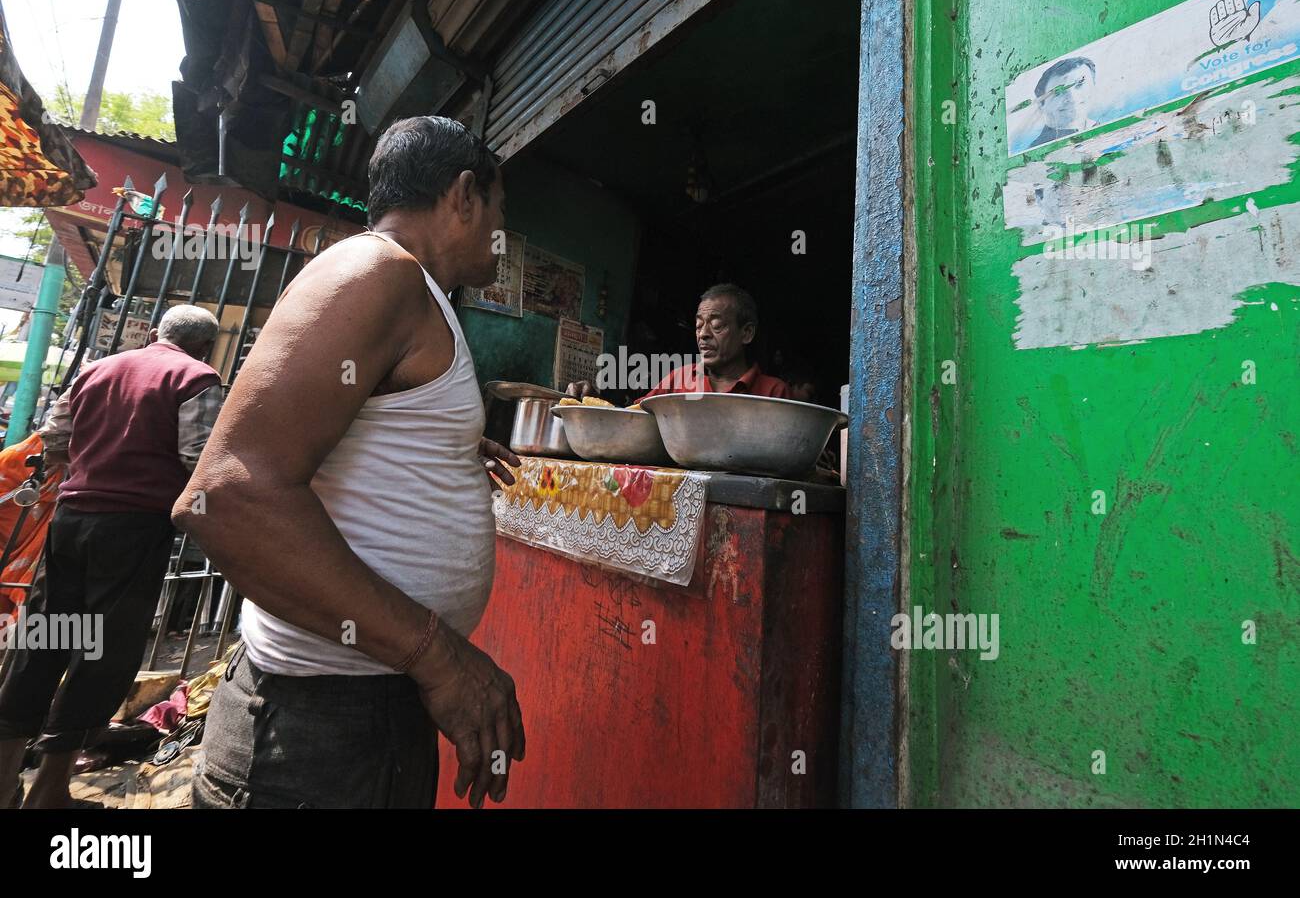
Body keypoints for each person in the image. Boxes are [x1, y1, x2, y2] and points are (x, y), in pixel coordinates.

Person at [176, 115, 525, 810]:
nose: (501, 235)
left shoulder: (412, 289)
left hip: (356, 720)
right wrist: (442, 657)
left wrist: (445, 454)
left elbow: (348, 431)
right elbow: (227, 497)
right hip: (315, 736)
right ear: (463, 194)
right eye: (500, 211)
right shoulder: (379, 272)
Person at [0, 304, 223, 809]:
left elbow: (54, 439)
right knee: (104, 653)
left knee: (45, 640)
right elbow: (199, 457)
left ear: (154, 334)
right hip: (134, 530)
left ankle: (4, 778)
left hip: (71, 523)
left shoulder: (95, 369)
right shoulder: (197, 377)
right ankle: (51, 790)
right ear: (206, 346)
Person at [569, 283, 790, 401]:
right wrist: (593, 400)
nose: (703, 334)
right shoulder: (679, 379)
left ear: (747, 333)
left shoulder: (774, 392)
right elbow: (633, 419)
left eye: (716, 325)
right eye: (698, 325)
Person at [1030, 56, 1098, 148]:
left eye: (1080, 83)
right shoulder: (1037, 151)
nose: (1073, 99)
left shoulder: (1097, 127)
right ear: (1041, 105)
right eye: (1058, 92)